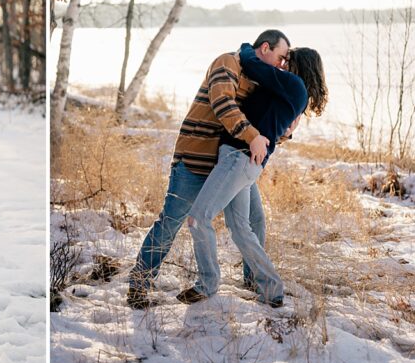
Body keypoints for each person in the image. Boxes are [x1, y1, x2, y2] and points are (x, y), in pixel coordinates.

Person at [127, 30, 290, 310]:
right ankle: (139, 286)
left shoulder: (259, 81)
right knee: (171, 222)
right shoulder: (227, 63)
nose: (282, 64)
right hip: (196, 160)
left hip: (230, 165)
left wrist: (283, 132)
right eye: (280, 57)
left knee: (255, 220)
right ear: (265, 47)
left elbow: (264, 124)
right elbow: (223, 104)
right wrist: (252, 136)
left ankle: (253, 281)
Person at [179, 45, 328, 307]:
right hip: (238, 159)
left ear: (300, 66)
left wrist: (248, 47)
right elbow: (274, 126)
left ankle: (207, 284)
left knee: (198, 218)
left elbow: (252, 63)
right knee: (240, 228)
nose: (281, 64)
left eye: (287, 60)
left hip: (239, 159)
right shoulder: (286, 89)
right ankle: (272, 290)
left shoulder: (293, 85)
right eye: (282, 59)